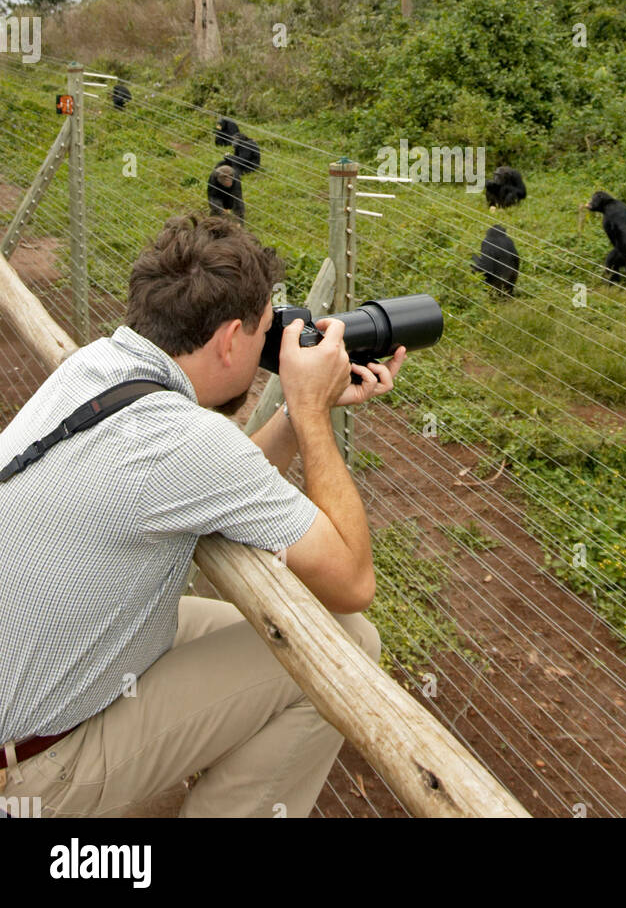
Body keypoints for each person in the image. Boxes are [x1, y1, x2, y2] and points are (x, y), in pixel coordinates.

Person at [0, 214, 406, 818]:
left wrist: (297, 415)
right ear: (228, 338)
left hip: (27, 685)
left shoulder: (94, 368)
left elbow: (221, 480)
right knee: (342, 650)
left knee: (252, 634)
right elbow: (352, 582)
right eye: (268, 332)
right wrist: (314, 412)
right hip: (30, 771)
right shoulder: (179, 438)